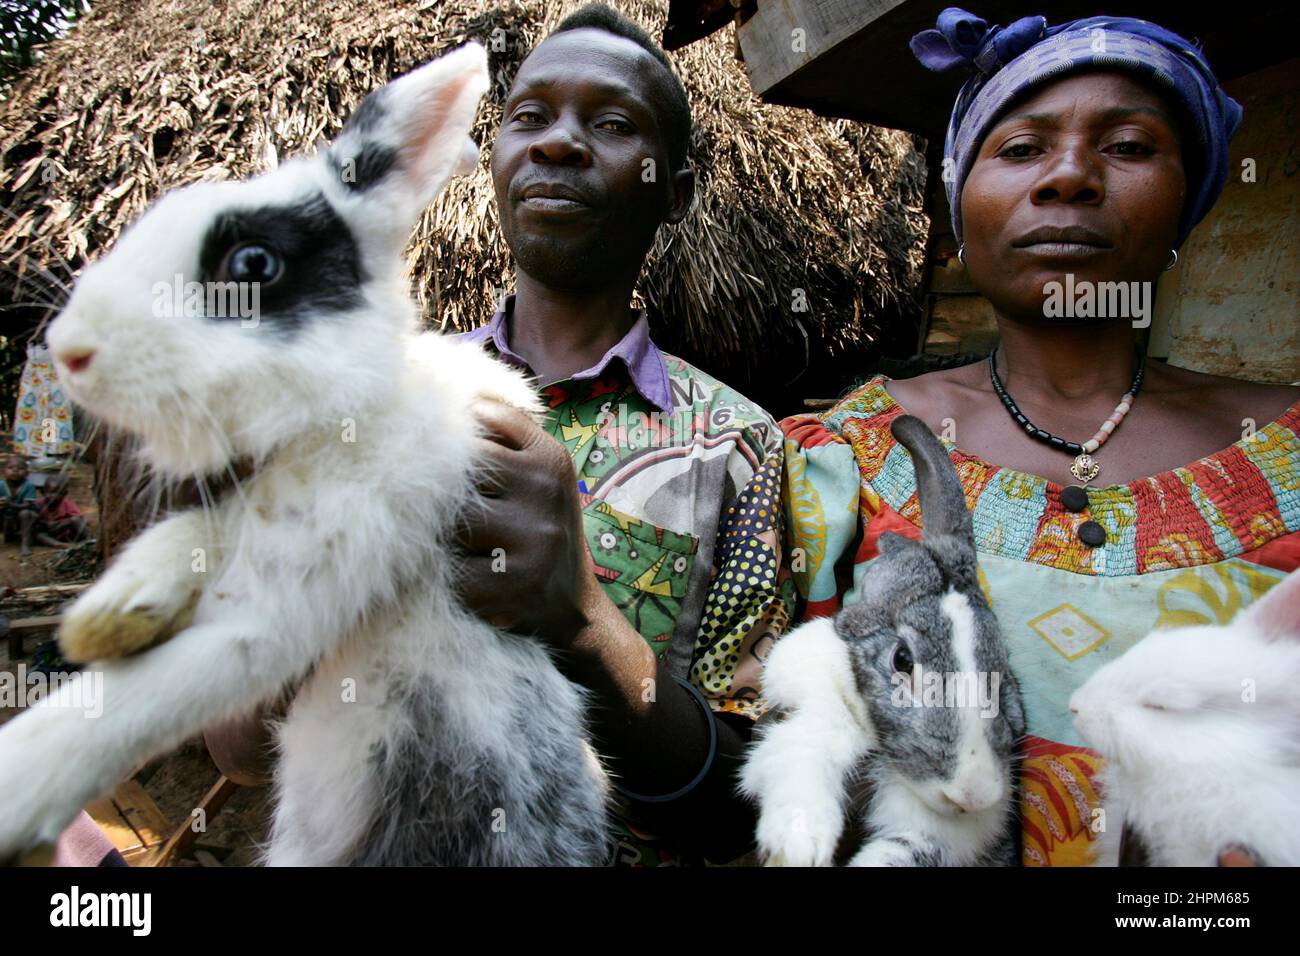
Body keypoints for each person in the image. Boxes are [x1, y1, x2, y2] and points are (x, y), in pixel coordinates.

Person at [206, 2, 792, 866]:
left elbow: (745, 807)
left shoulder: (740, 447)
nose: (558, 142)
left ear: (674, 190)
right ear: (496, 159)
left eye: (614, 123)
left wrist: (585, 620)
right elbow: (236, 752)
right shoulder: (371, 399)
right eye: (529, 116)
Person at [781, 9, 1298, 867]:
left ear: (1191, 198)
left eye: (1129, 146)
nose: (1069, 177)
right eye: (1019, 149)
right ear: (960, 204)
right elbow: (795, 735)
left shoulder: (1282, 448)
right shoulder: (848, 454)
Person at [35, 476, 91, 548]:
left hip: (66, 532)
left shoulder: (66, 503)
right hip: (50, 532)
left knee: (75, 520)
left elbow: (79, 518)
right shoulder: (39, 503)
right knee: (39, 535)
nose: (54, 496)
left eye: (58, 493)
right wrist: (46, 523)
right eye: (50, 493)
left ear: (64, 494)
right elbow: (35, 518)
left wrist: (64, 523)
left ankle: (91, 539)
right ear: (43, 492)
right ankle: (57, 544)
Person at [0, 456, 39, 556]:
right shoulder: (1, 485)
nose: (15, 470)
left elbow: (27, 505)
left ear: (27, 473)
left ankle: (25, 544)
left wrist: (10, 504)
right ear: (3, 471)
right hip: (7, 512)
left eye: (20, 468)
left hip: (26, 514)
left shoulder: (29, 485)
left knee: (24, 513)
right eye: (10, 468)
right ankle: (8, 535)